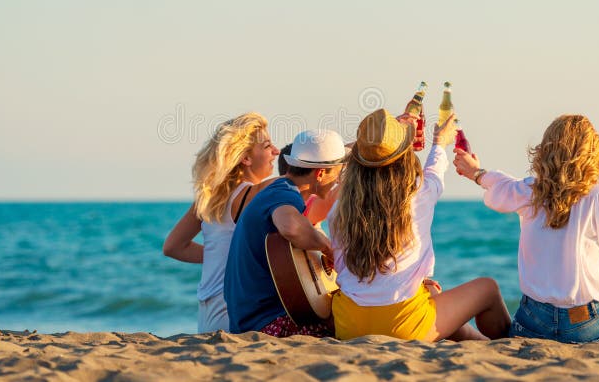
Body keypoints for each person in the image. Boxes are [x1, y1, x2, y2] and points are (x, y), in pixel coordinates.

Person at [329, 108, 511, 342]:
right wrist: (439, 142)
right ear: (404, 156)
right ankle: (510, 345)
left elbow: (335, 159)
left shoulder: (341, 206)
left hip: (348, 322)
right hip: (401, 323)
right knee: (488, 288)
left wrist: (375, 140)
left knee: (433, 298)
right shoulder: (418, 193)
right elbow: (435, 169)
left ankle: (482, 344)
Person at [452, 114, 599, 345]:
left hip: (534, 323)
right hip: (586, 323)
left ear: (546, 151)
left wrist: (476, 174)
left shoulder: (531, 193)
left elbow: (502, 187)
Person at [162, 113, 280, 333]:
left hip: (206, 317)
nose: (276, 151)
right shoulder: (252, 194)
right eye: (267, 146)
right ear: (245, 158)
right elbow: (297, 182)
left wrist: (224, 255)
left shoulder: (210, 197)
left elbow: (173, 247)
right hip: (234, 313)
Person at [224, 129, 346, 337]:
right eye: (337, 172)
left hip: (250, 319)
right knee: (346, 319)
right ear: (320, 173)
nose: (337, 180)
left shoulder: (280, 189)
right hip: (263, 323)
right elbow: (291, 227)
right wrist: (328, 248)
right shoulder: (284, 193)